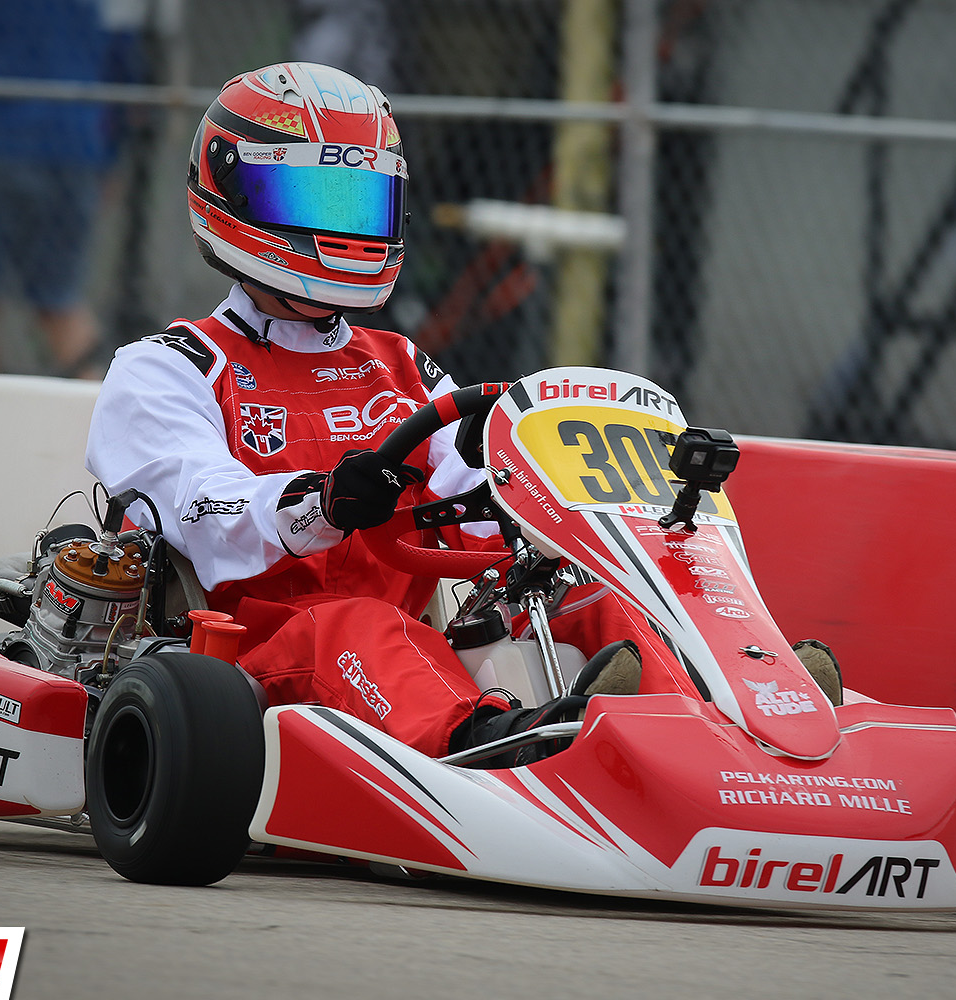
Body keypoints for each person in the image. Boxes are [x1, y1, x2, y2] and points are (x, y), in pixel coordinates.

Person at [86, 62, 840, 764]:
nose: (345, 228)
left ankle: (737, 714)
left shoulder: (400, 365)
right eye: (316, 201)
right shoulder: (172, 365)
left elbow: (478, 493)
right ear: (233, 194)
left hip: (403, 661)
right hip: (251, 665)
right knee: (355, 622)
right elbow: (201, 507)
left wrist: (541, 513)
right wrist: (322, 502)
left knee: (587, 584)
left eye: (362, 204)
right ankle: (503, 750)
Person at [0, 0, 142, 376]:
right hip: (75, 148)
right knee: (60, 302)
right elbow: (125, 71)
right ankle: (103, 409)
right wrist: (109, 157)